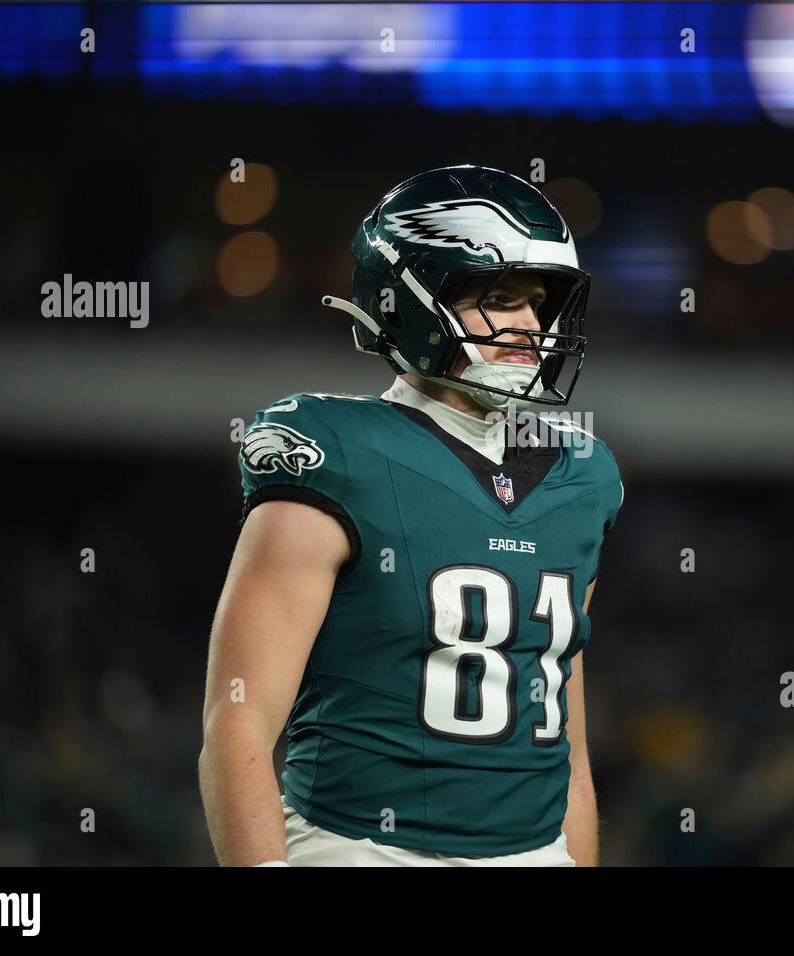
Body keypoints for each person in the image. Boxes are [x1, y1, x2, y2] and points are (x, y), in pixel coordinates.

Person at [199, 165, 623, 866]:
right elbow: (238, 717)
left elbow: (564, 737)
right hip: (358, 847)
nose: (526, 325)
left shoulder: (585, 476)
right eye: (498, 297)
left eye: (536, 303)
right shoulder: (337, 451)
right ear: (413, 302)